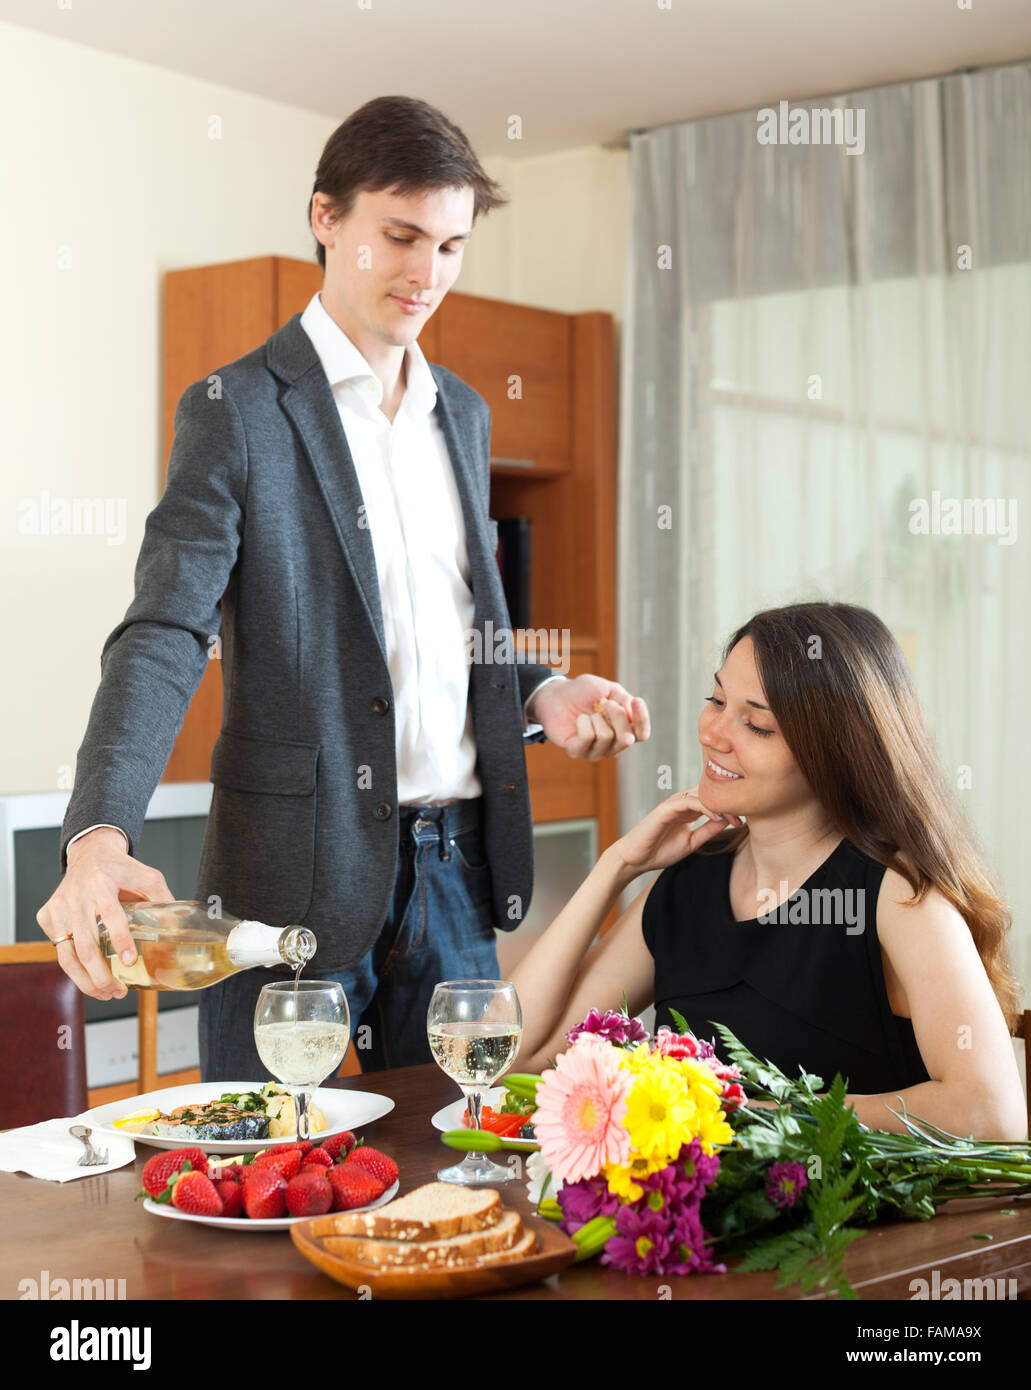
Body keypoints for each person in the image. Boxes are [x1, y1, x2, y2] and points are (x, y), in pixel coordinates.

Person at [37, 95, 650, 1079]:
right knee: (264, 1182)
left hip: (454, 877)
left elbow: (429, 625)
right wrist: (98, 834)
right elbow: (162, 631)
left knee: (455, 1188)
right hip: (288, 881)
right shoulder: (235, 411)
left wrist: (538, 691)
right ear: (326, 217)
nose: (425, 273)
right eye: (399, 235)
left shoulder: (464, 414)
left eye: (450, 246)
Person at [509, 601, 1026, 1141]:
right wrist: (616, 867)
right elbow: (527, 1057)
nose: (714, 732)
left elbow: (993, 1115)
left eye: (756, 724)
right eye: (716, 700)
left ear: (834, 749)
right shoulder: (691, 880)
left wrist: (739, 1114)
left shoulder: (898, 894)